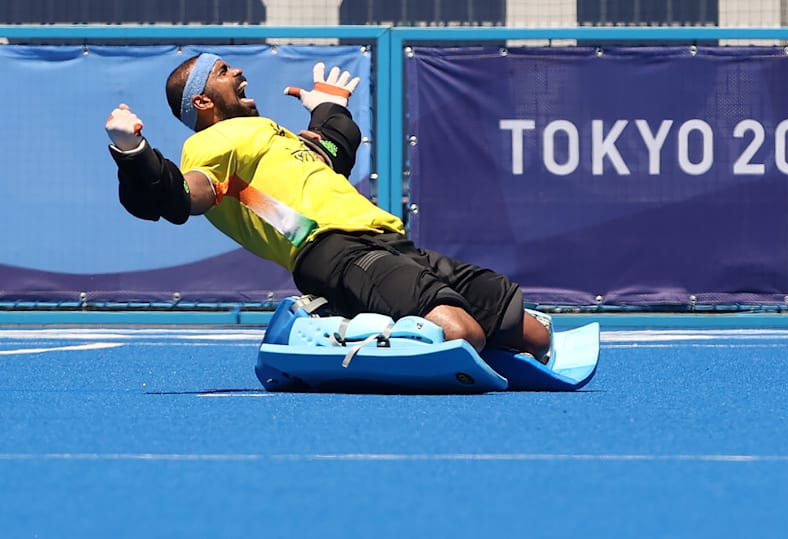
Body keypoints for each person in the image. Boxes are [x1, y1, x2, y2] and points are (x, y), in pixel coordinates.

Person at [104, 53, 551, 362]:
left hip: (389, 242)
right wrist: (134, 152)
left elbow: (329, 153)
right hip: (335, 252)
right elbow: (184, 195)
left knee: (533, 333)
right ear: (203, 101)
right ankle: (338, 328)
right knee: (462, 334)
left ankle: (372, 319)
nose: (238, 70)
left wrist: (330, 109)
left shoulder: (269, 133)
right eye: (223, 71)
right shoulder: (212, 141)